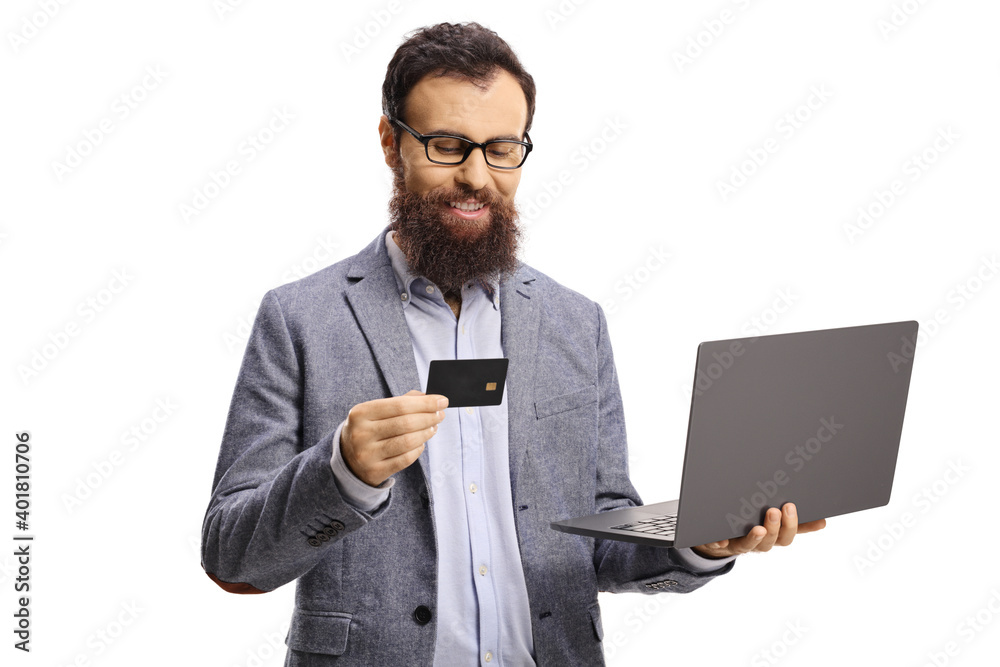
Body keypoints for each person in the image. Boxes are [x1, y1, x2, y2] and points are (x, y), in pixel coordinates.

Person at [200, 21, 825, 666]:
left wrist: (701, 538)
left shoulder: (576, 323)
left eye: (501, 148)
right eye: (448, 145)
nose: (478, 175)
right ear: (391, 143)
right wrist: (341, 473)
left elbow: (602, 539)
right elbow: (229, 556)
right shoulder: (300, 318)